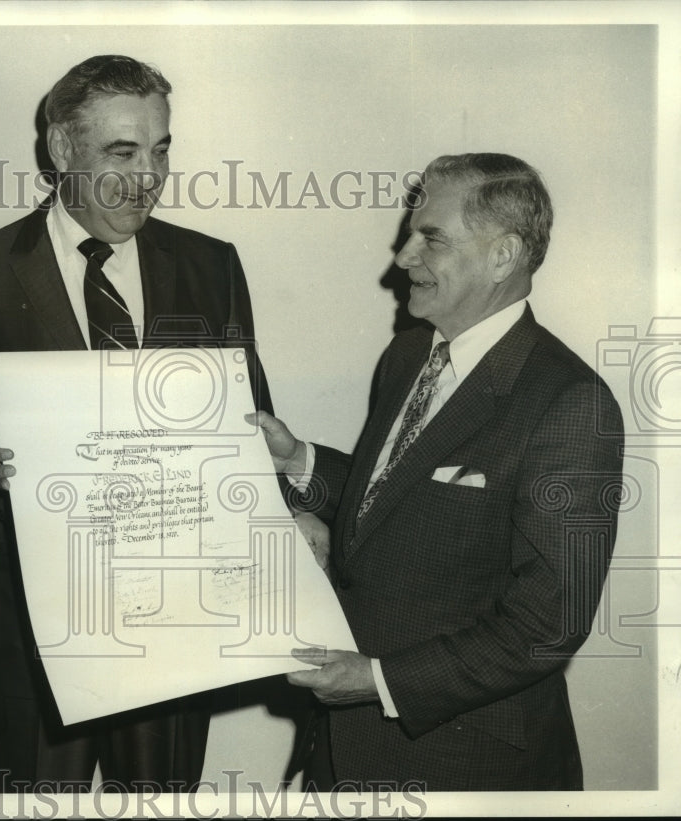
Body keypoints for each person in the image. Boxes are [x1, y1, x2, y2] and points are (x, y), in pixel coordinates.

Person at [0, 54, 275, 792]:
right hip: (34, 638)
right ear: (62, 150)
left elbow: (253, 425)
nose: (149, 176)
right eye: (122, 153)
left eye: (160, 150)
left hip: (172, 630)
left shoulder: (211, 266)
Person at [252, 153, 625, 791]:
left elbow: (547, 625)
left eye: (431, 238)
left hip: (463, 764)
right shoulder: (407, 356)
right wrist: (299, 461)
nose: (402, 257)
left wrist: (375, 681)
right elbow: (397, 503)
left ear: (504, 256)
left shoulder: (569, 404)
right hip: (343, 748)